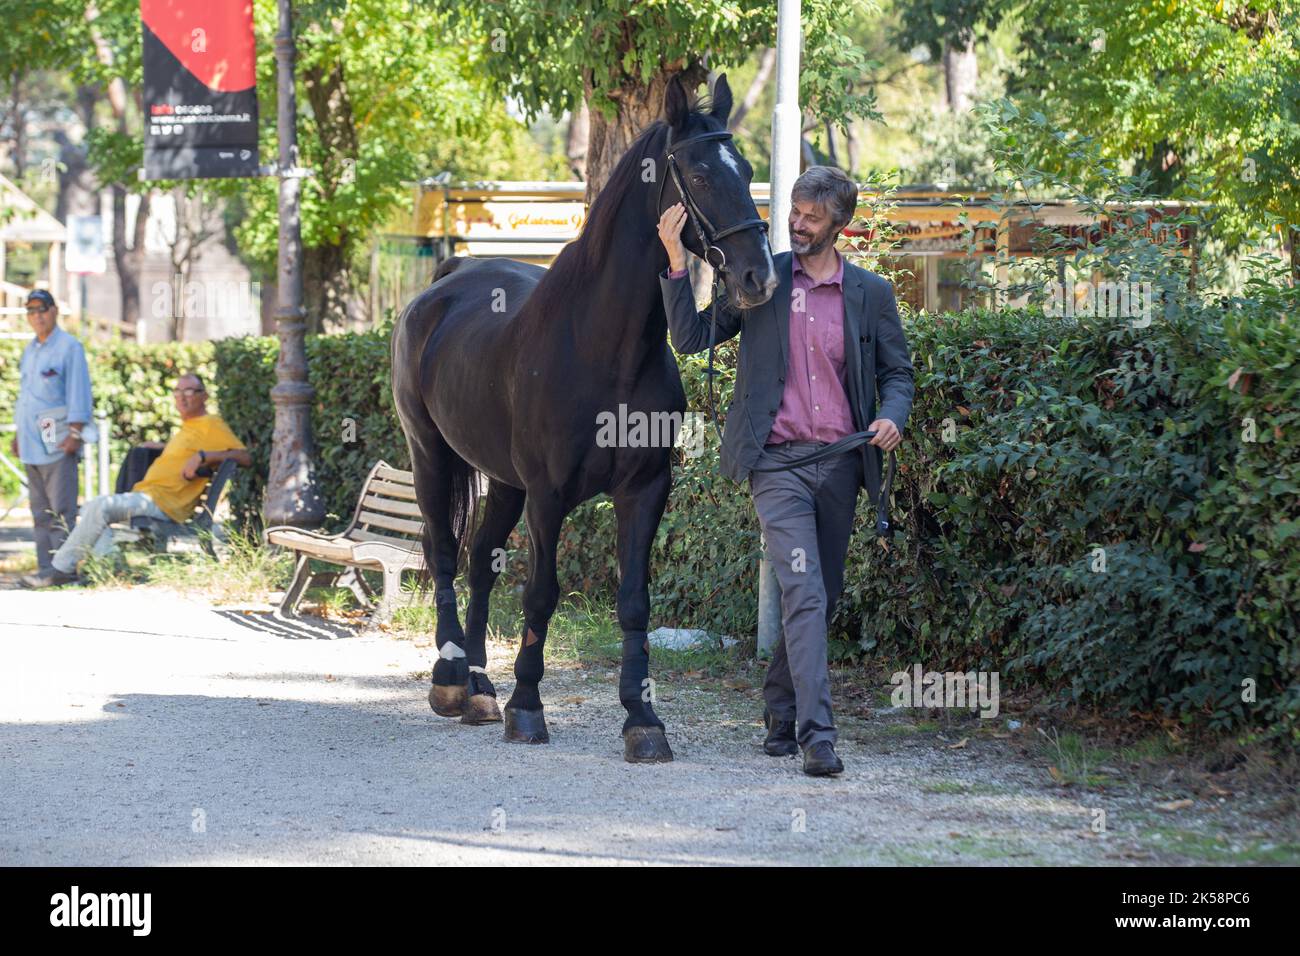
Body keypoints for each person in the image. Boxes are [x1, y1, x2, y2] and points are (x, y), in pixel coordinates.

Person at [658, 165, 915, 777]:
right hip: (776, 464)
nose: (796, 225)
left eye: (811, 218)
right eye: (793, 212)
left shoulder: (870, 295)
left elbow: (897, 373)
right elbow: (693, 338)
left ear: (839, 226)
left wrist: (892, 416)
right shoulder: (762, 277)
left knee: (821, 600)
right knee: (803, 590)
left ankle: (779, 709)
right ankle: (816, 736)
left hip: (842, 464)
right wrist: (675, 262)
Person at [19, 372, 251, 587]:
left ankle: (61, 568)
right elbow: (186, 448)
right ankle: (111, 569)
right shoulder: (189, 426)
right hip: (149, 496)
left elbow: (244, 457)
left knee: (101, 506)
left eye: (189, 391)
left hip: (165, 503)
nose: (182, 397)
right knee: (93, 506)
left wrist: (204, 456)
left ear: (204, 396)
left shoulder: (211, 424)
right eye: (177, 392)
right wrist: (164, 447)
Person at [9, 288, 93, 575]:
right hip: (32, 439)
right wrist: (18, 434)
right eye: (30, 311)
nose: (36, 316)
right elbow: (26, 396)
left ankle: (65, 568)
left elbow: (78, 393)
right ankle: (46, 566)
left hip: (57, 435)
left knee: (61, 508)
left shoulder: (69, 347)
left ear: (54, 310)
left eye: (41, 309)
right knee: (39, 511)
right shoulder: (30, 349)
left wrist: (75, 433)